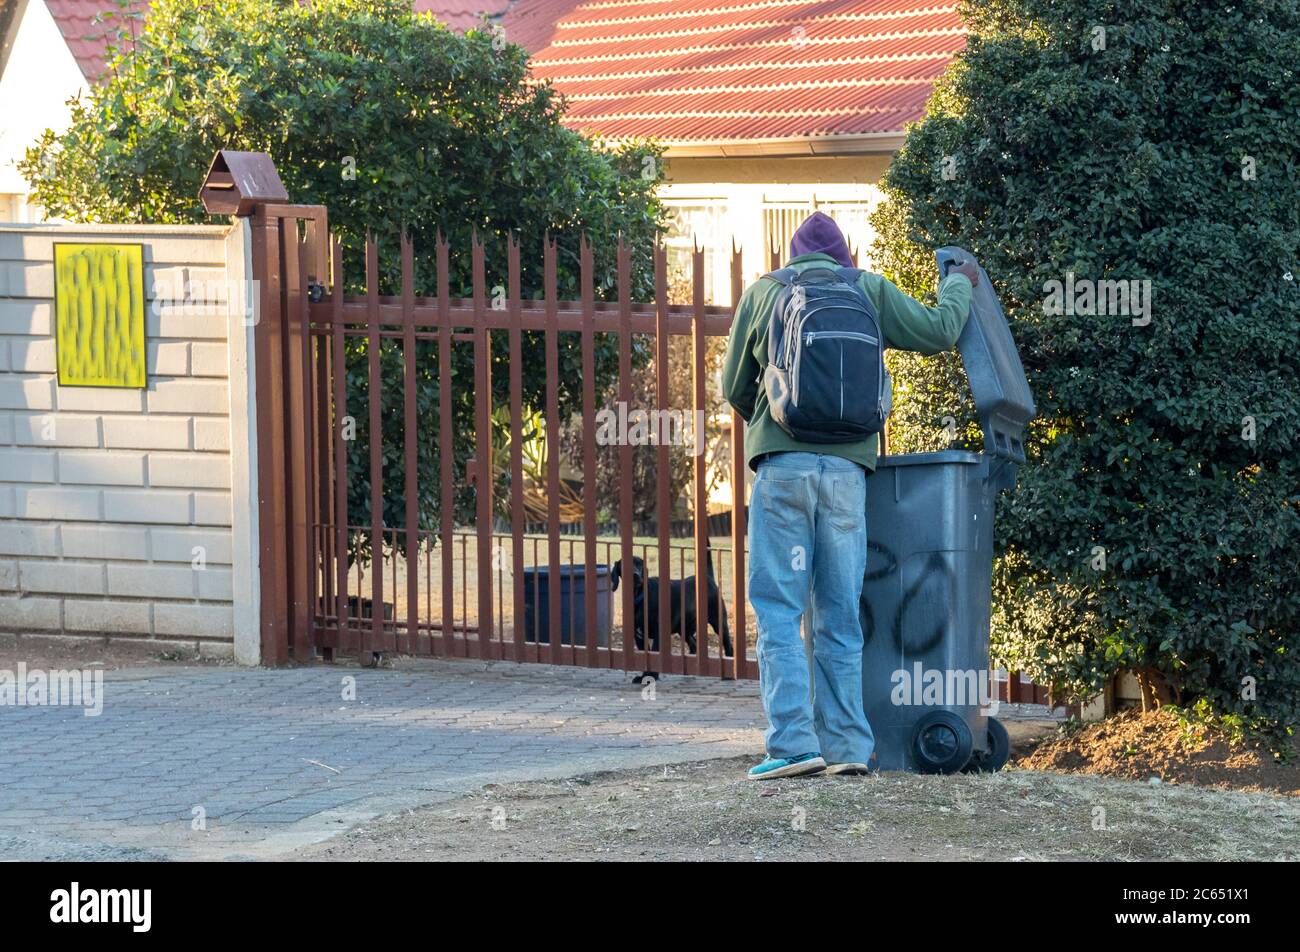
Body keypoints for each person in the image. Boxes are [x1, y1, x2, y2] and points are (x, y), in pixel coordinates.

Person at [721, 212, 978, 779]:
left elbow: (731, 387)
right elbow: (939, 330)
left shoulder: (766, 292)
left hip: (782, 471)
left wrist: (775, 428)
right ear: (845, 258)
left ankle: (792, 746)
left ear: (793, 257)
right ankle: (847, 749)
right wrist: (958, 278)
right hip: (845, 475)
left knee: (781, 610)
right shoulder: (869, 289)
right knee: (839, 613)